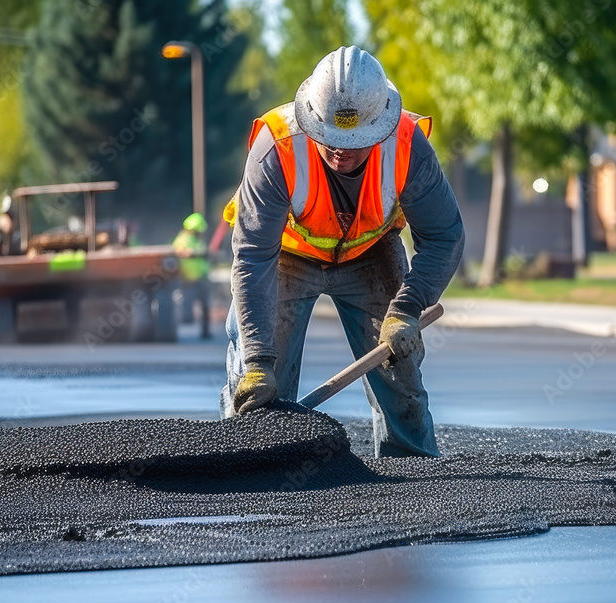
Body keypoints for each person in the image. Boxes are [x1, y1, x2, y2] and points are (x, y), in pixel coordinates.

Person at [220, 45, 465, 458]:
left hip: (371, 252)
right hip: (286, 256)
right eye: (330, 139)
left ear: (380, 127)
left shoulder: (407, 145)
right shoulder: (277, 145)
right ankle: (247, 463)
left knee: (397, 369)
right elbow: (252, 256)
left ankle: (413, 477)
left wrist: (406, 309)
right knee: (259, 383)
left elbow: (445, 235)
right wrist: (258, 358)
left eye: (355, 143)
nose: (340, 153)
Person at [172, 212, 212, 338]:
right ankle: (176, 331)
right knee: (181, 304)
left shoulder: (198, 240)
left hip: (201, 277)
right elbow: (178, 252)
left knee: (205, 306)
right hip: (186, 279)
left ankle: (205, 332)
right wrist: (195, 253)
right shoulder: (183, 239)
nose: (199, 233)